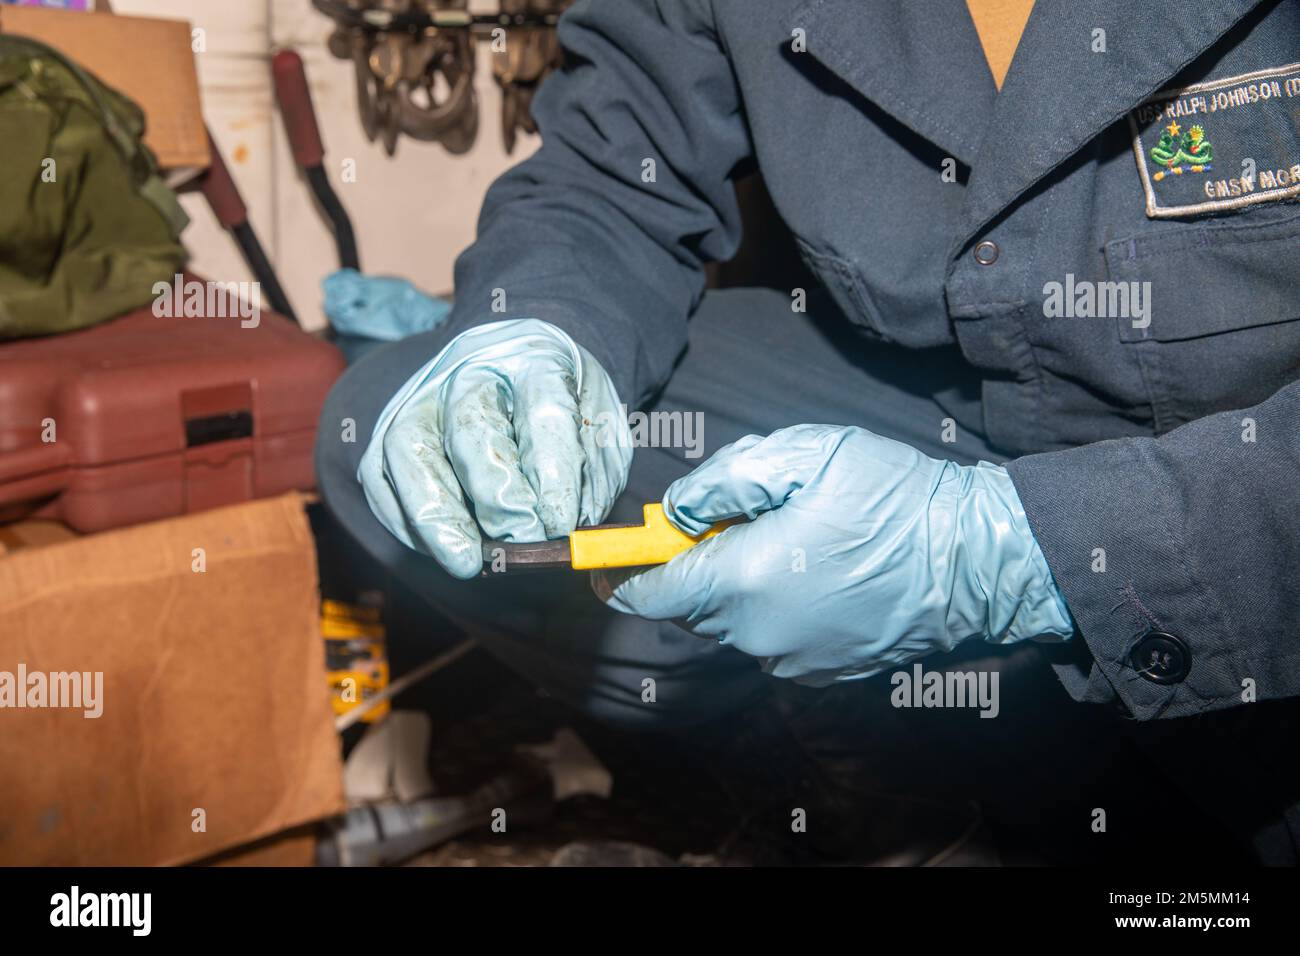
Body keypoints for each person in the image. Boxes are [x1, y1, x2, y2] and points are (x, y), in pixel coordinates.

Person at [317, 0, 1300, 860]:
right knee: (388, 434)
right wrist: (537, 320)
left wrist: (1012, 555)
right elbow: (611, 174)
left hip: (1245, 482)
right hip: (946, 409)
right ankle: (897, 780)